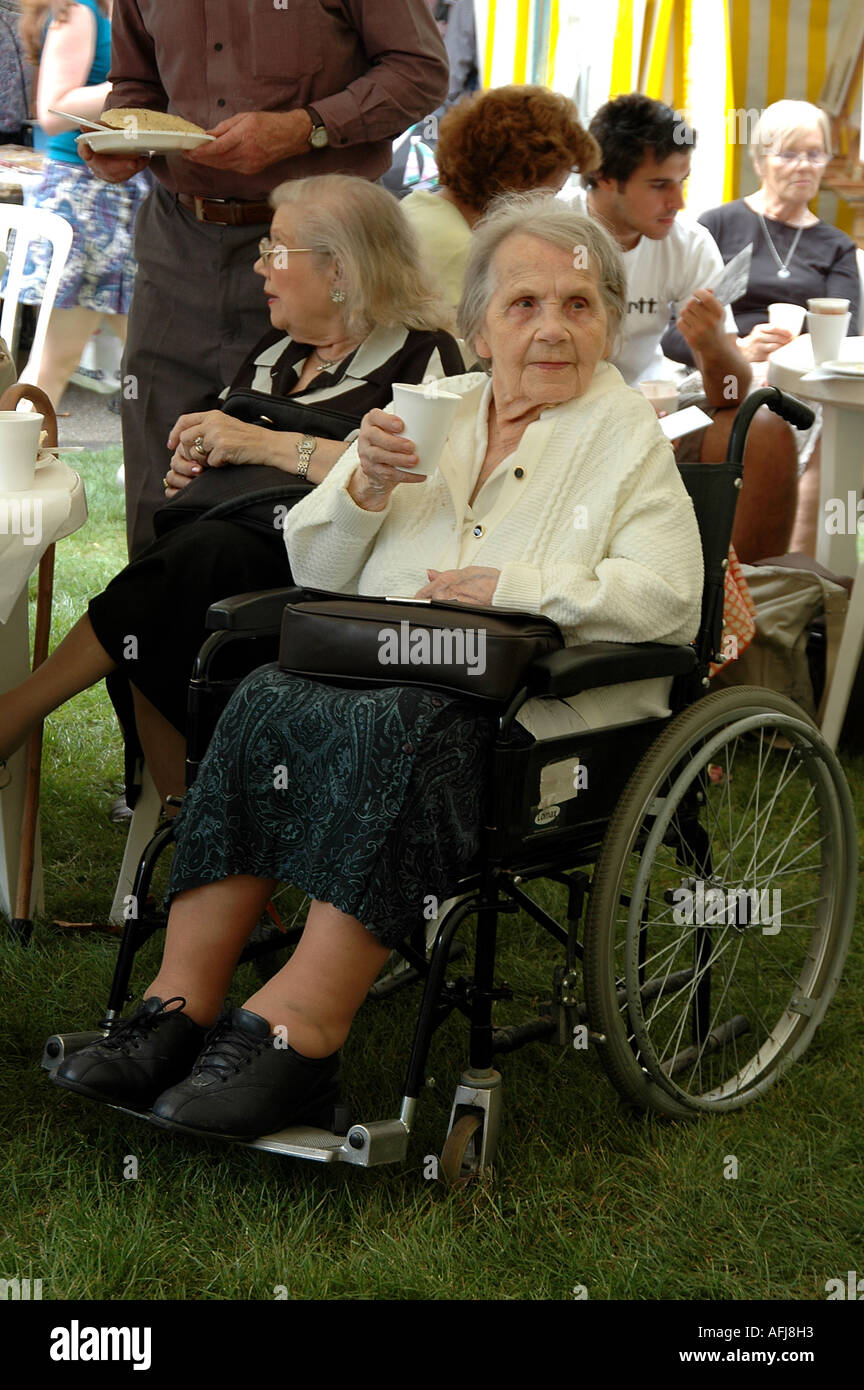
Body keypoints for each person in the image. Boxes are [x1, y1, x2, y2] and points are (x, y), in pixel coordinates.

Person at [51, 197, 703, 1140]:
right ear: (476, 325)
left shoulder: (622, 430)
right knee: (265, 696)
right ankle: (178, 1008)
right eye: (523, 305)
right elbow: (315, 567)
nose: (553, 328)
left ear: (609, 316)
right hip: (395, 672)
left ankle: (298, 1038)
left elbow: (667, 597)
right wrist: (361, 485)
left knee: (402, 724)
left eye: (578, 303)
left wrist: (514, 585)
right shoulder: (434, 412)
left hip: (541, 710)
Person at [0, 174, 463, 807]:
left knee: (181, 576)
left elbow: (419, 484)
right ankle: (184, 821)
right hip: (218, 558)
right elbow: (229, 446)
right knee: (169, 586)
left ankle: (21, 717)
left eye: (276, 250)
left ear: (341, 269)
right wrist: (198, 463)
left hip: (329, 571)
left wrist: (265, 447)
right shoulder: (276, 350)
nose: (259, 266)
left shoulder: (423, 358)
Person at [79, 0, 449, 559]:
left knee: (297, 488)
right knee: (161, 466)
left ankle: (276, 635)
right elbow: (135, 83)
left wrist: (308, 129)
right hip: (180, 233)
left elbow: (420, 72)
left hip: (319, 249)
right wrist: (119, 136)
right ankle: (147, 632)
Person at [576, 93, 799, 563]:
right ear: (603, 178)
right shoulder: (556, 232)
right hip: (566, 409)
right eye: (659, 184)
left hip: (655, 408)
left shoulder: (688, 242)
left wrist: (712, 344)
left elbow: (732, 392)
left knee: (763, 426)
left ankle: (756, 602)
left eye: (682, 182)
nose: (677, 201)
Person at [664, 100, 859, 556]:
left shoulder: (835, 246)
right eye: (789, 154)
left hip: (803, 376)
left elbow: (850, 336)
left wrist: (800, 350)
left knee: (827, 418)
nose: (804, 166)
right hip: (721, 368)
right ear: (759, 159)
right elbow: (672, 332)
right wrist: (736, 347)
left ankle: (791, 571)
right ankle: (733, 562)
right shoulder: (717, 226)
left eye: (815, 154)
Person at [16, 1, 150, 409]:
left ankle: (143, 468)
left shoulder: (118, 10)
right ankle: (12, 462)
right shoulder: (79, 11)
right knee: (58, 360)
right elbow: (53, 110)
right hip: (87, 195)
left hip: (121, 193)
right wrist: (145, 84)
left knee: (150, 357)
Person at [401, 85, 599, 309]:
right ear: (517, 181)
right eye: (550, 193)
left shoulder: (417, 207)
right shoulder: (460, 252)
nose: (548, 205)